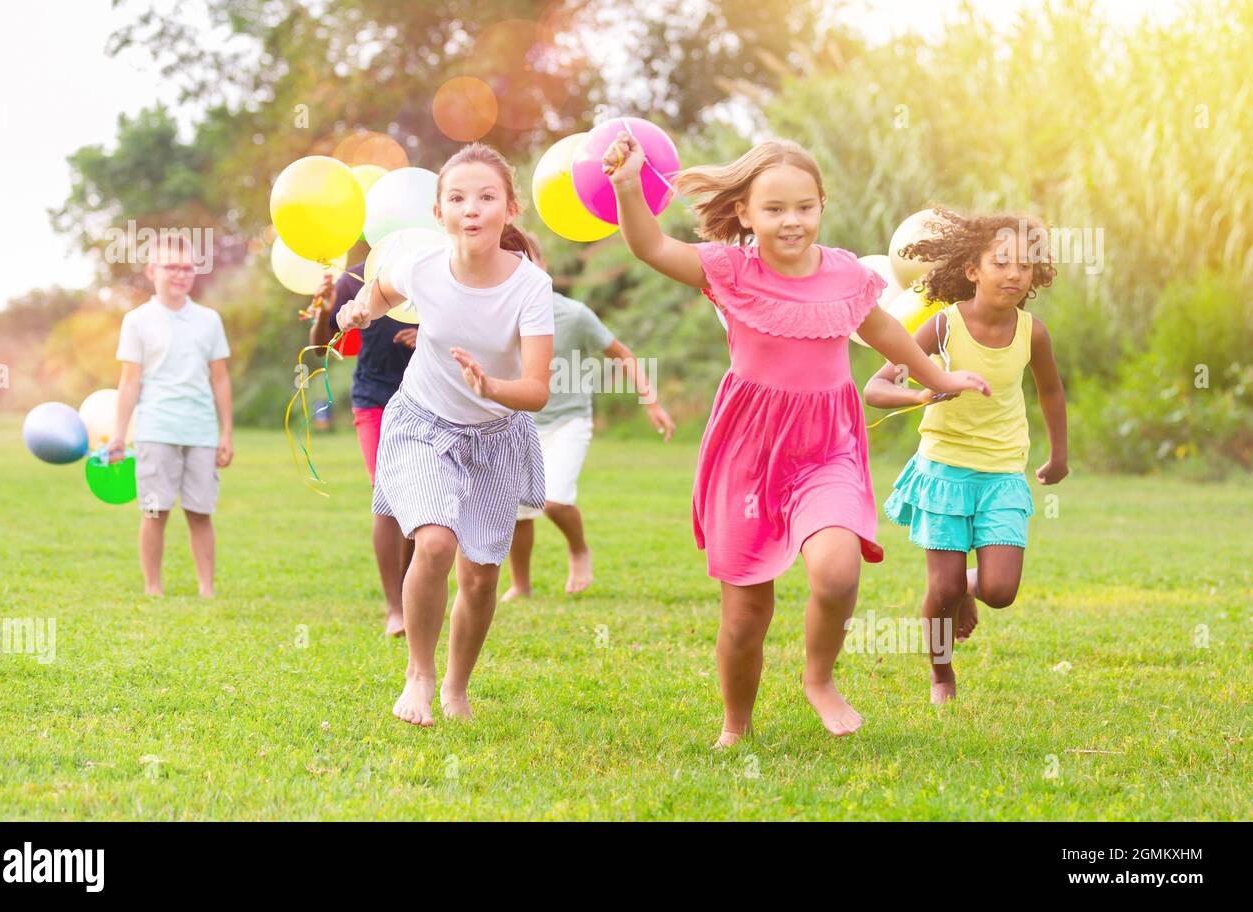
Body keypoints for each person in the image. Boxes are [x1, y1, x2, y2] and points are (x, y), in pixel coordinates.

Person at [602, 130, 990, 746]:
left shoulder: (842, 273)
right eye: (775, 209)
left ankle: (819, 678)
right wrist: (628, 188)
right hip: (748, 453)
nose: (791, 221)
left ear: (822, 206)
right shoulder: (729, 268)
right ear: (745, 214)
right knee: (745, 615)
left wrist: (938, 375)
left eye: (804, 207)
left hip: (825, 448)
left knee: (836, 573)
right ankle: (736, 724)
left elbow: (886, 330)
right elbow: (650, 246)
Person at [337, 142, 554, 728]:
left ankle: (456, 687)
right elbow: (382, 285)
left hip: (494, 434)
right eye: (457, 198)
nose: (471, 209)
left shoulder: (531, 288)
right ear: (439, 214)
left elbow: (536, 389)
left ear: (509, 209)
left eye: (487, 197)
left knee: (481, 578)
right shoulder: (424, 265)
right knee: (433, 542)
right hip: (422, 424)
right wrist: (359, 308)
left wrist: (492, 388)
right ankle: (419, 674)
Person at [864, 209, 1068, 702]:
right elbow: (875, 389)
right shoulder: (943, 327)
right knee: (941, 588)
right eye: (1001, 262)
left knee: (1000, 591)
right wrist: (921, 395)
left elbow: (1052, 393)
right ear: (973, 270)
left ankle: (964, 589)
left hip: (1001, 474)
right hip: (944, 471)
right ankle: (941, 675)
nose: (1014, 273)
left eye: (1024, 264)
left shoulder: (1032, 332)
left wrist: (1058, 455)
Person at [502, 233, 676, 600]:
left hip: (568, 421)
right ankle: (521, 584)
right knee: (518, 511)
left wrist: (652, 401)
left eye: (525, 261)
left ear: (543, 266)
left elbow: (623, 354)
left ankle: (579, 549)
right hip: (521, 425)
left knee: (554, 501)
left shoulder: (573, 315)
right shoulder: (498, 316)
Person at [109, 233, 232, 598]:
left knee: (200, 512)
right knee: (153, 512)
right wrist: (119, 434)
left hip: (201, 430)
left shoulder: (209, 320)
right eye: (171, 267)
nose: (180, 274)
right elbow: (129, 382)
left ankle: (206, 589)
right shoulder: (137, 320)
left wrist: (226, 433)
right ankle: (153, 587)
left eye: (187, 267)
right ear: (152, 271)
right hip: (155, 428)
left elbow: (221, 379)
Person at [309, 265, 418, 636]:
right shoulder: (357, 277)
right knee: (386, 495)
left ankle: (412, 595)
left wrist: (427, 336)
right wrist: (326, 308)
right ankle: (395, 607)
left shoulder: (438, 263)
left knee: (418, 501)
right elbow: (322, 342)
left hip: (427, 398)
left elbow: (470, 328)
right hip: (374, 399)